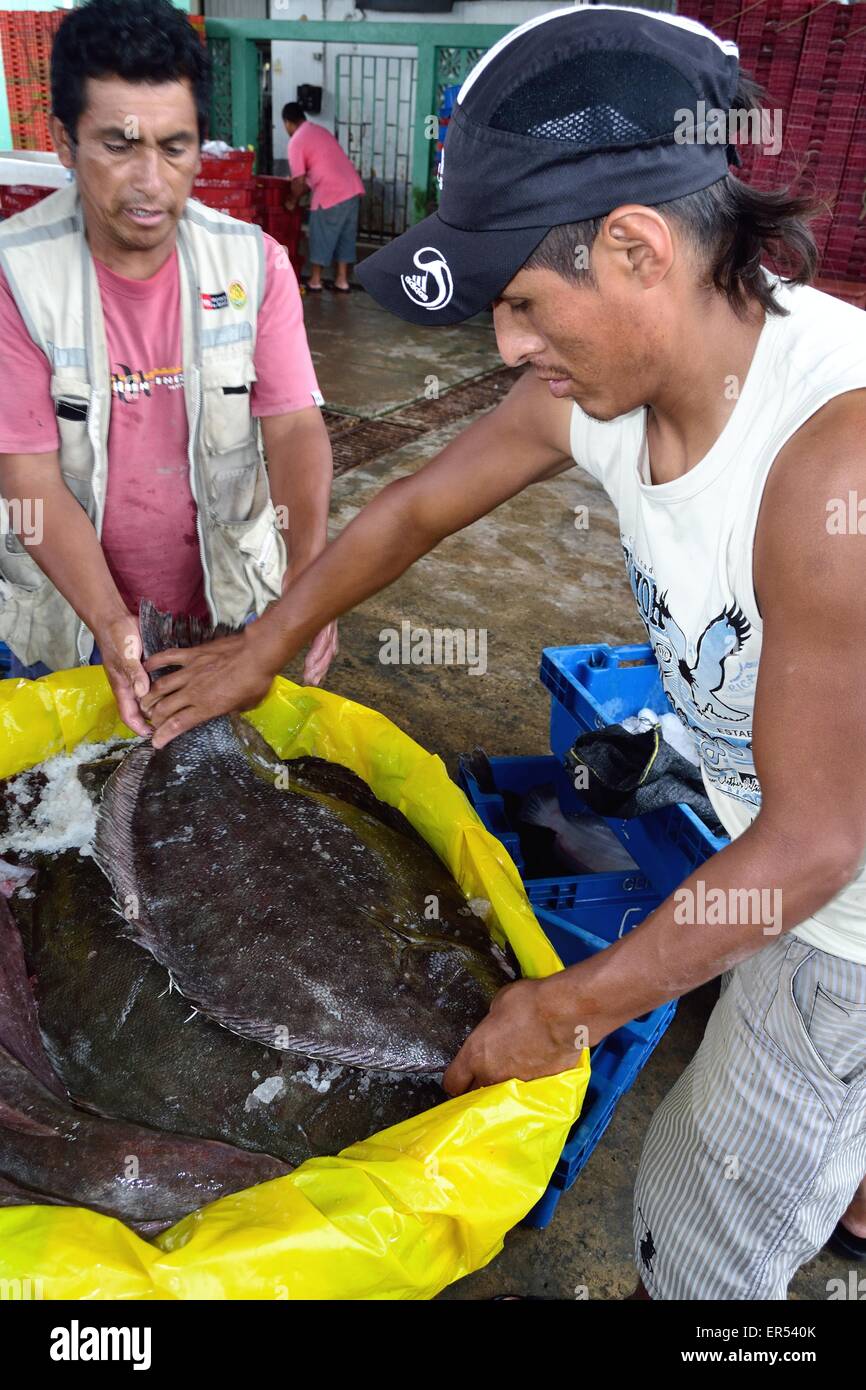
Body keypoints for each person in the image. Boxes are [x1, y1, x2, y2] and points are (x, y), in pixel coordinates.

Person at [140, 7, 866, 1299]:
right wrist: (266, 642)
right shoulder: (615, 380)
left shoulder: (830, 467)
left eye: (525, 303)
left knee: (702, 1232)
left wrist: (568, 1004)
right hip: (796, 804)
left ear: (636, 247)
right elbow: (412, 507)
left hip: (842, 905)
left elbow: (812, 847)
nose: (509, 348)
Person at [0, 0, 337, 733]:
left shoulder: (254, 263)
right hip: (67, 622)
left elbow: (294, 430)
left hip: (226, 611)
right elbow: (27, 477)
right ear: (63, 140)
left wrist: (308, 582)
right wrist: (112, 623)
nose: (151, 181)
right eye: (119, 146)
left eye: (175, 147)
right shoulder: (15, 274)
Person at [282, 102, 365, 293]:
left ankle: (316, 280)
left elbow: (299, 181)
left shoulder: (296, 141)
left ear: (287, 123)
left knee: (320, 233)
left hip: (331, 192)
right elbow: (317, 171)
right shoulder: (320, 131)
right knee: (346, 236)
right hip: (352, 189)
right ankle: (342, 280)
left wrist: (291, 201)